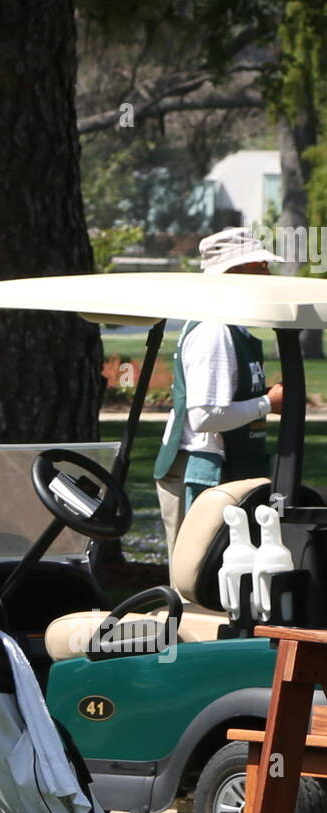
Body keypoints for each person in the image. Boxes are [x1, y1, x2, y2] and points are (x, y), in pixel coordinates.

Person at [154, 227, 286, 569]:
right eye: (260, 267)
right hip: (203, 471)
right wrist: (268, 403)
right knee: (200, 574)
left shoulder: (228, 326)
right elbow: (206, 416)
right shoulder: (214, 330)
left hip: (219, 465)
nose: (267, 275)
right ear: (237, 272)